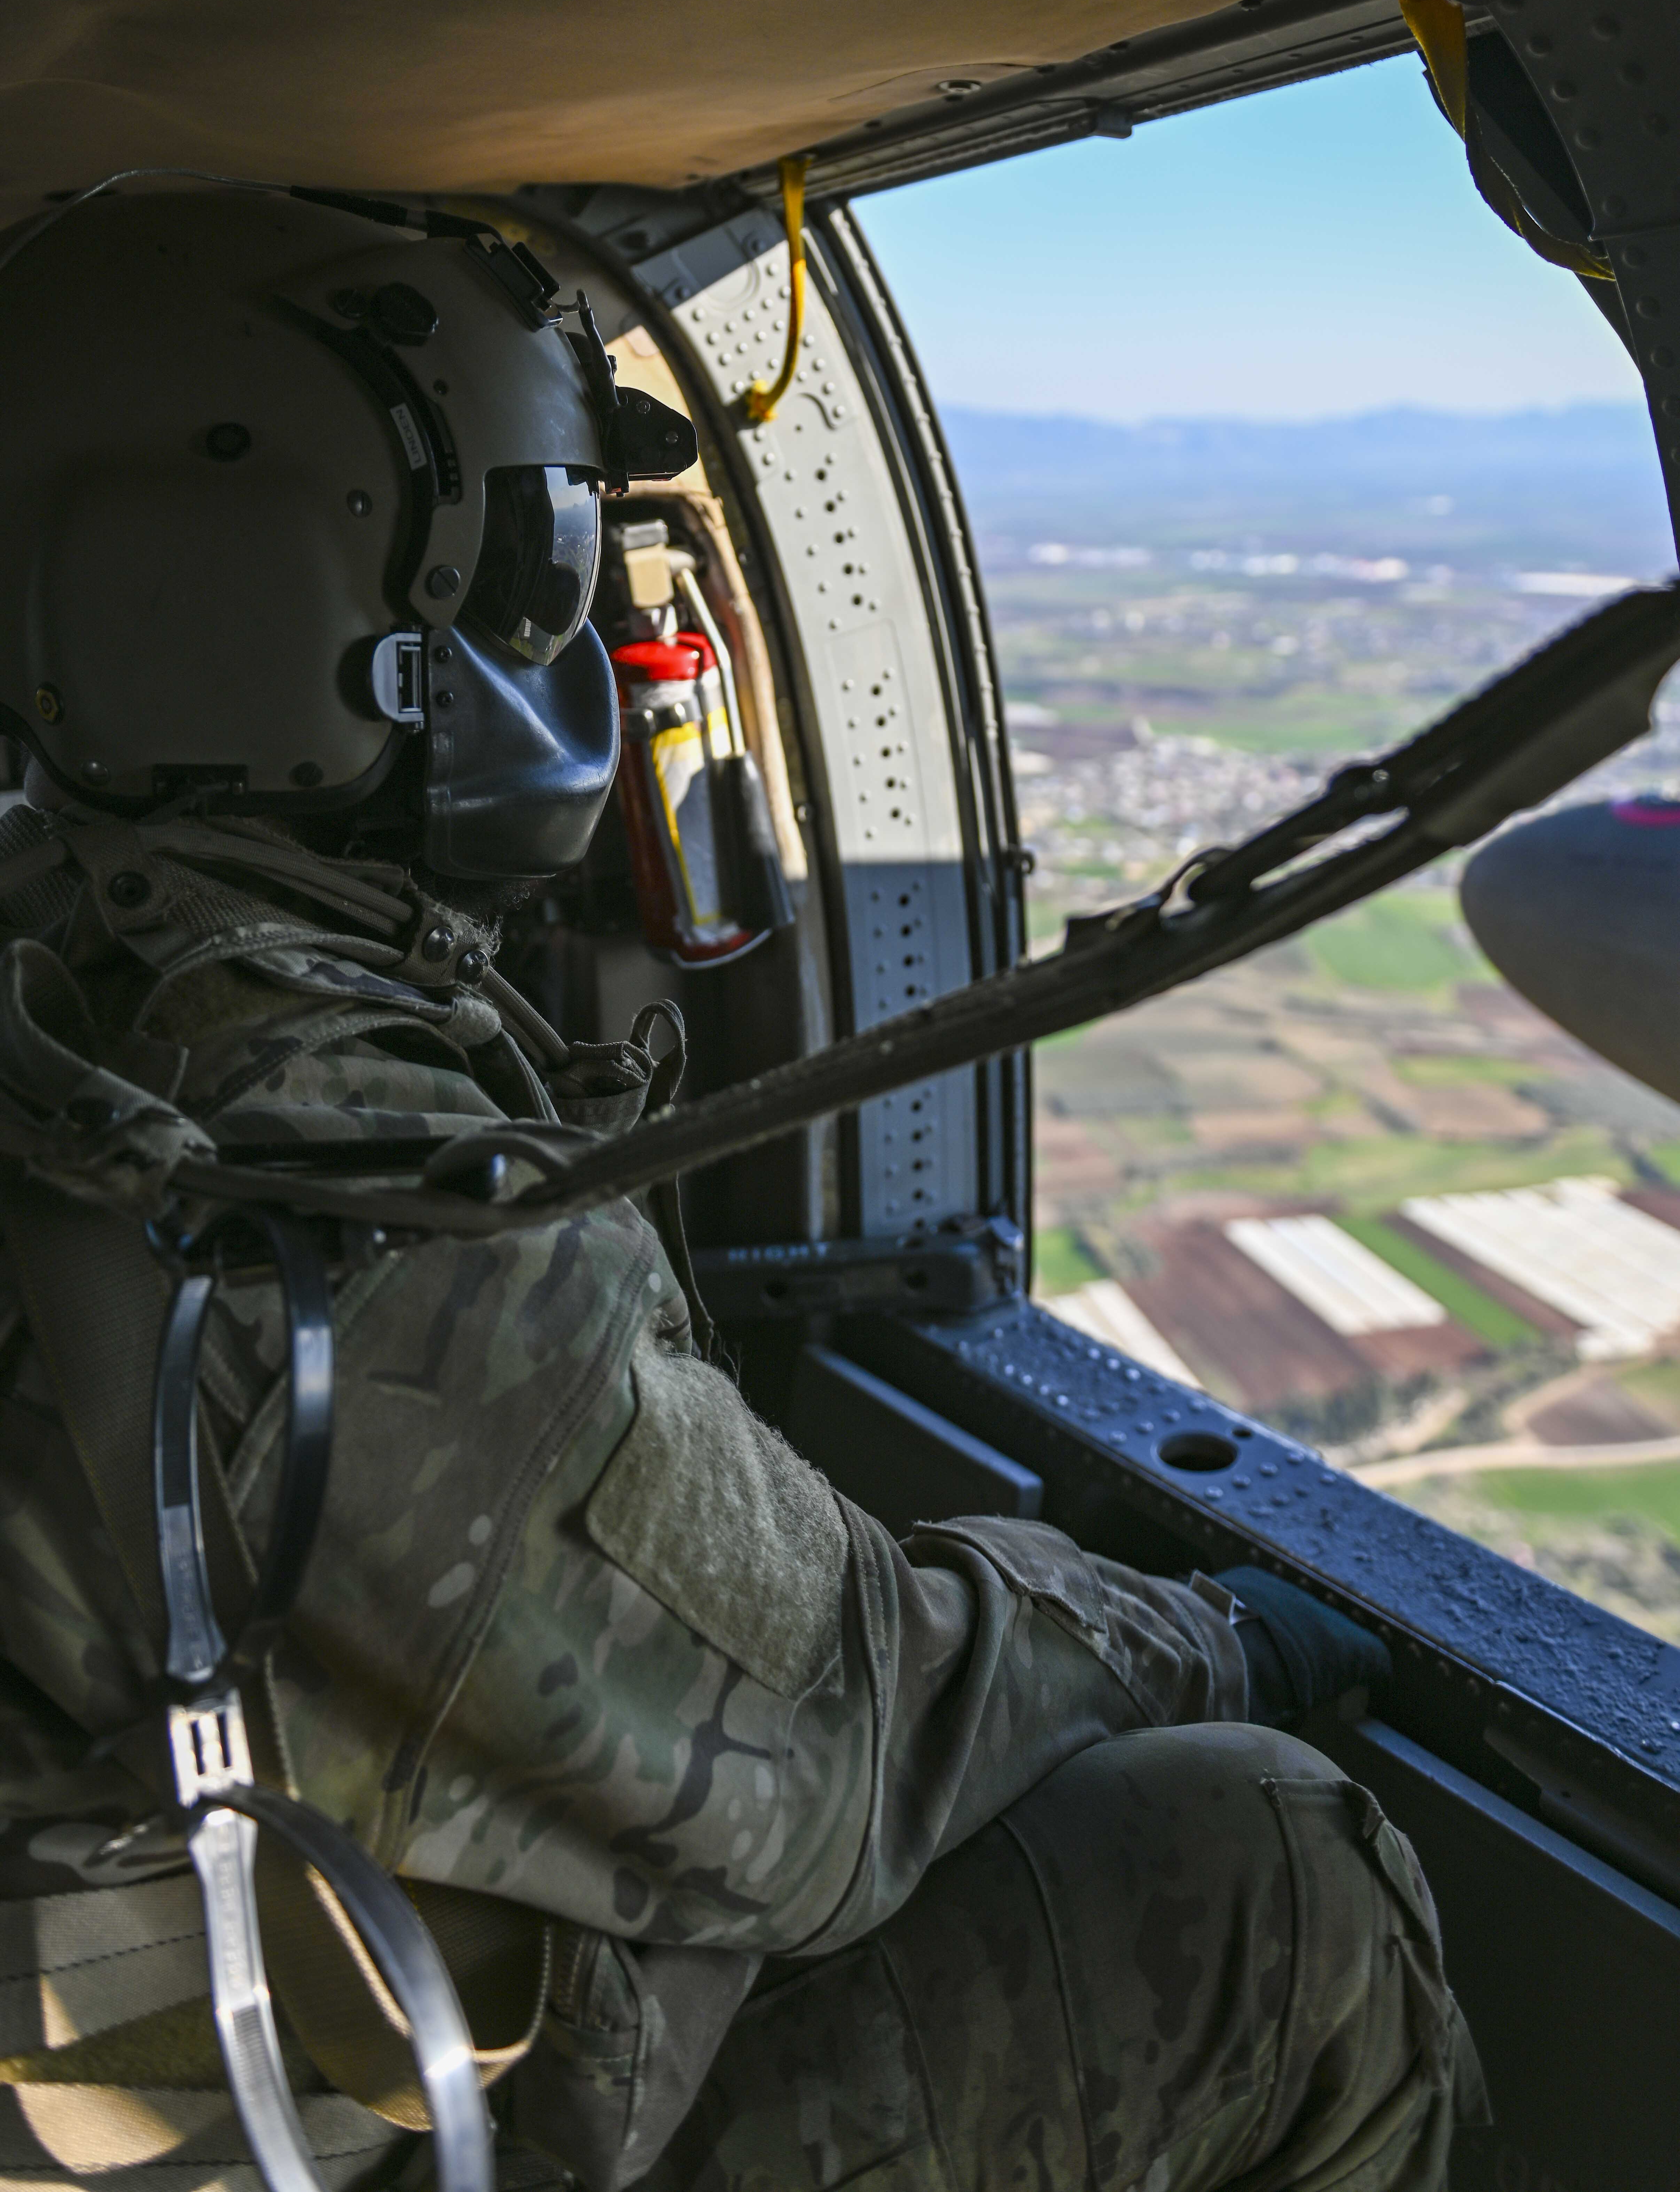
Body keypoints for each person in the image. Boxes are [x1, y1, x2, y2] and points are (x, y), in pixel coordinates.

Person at [0, 186, 1483, 2192]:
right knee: (1271, 1880)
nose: (564, 638)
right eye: (525, 559)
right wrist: (1200, 1629)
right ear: (247, 573)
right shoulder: (312, 1168)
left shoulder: (67, 986)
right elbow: (826, 1754)